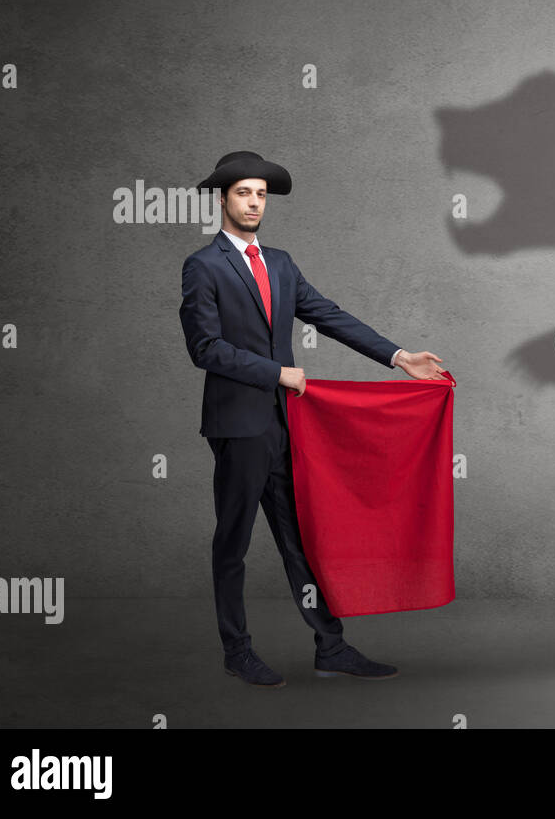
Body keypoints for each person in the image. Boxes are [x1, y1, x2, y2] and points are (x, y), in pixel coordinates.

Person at [179, 150, 446, 688]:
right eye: (243, 193)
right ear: (222, 199)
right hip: (238, 426)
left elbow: (327, 313)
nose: (254, 202)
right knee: (232, 542)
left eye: (260, 194)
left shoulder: (279, 262)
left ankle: (332, 647)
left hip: (287, 427)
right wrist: (278, 373)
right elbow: (205, 348)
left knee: (301, 540)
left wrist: (398, 357)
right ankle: (238, 651)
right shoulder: (203, 266)